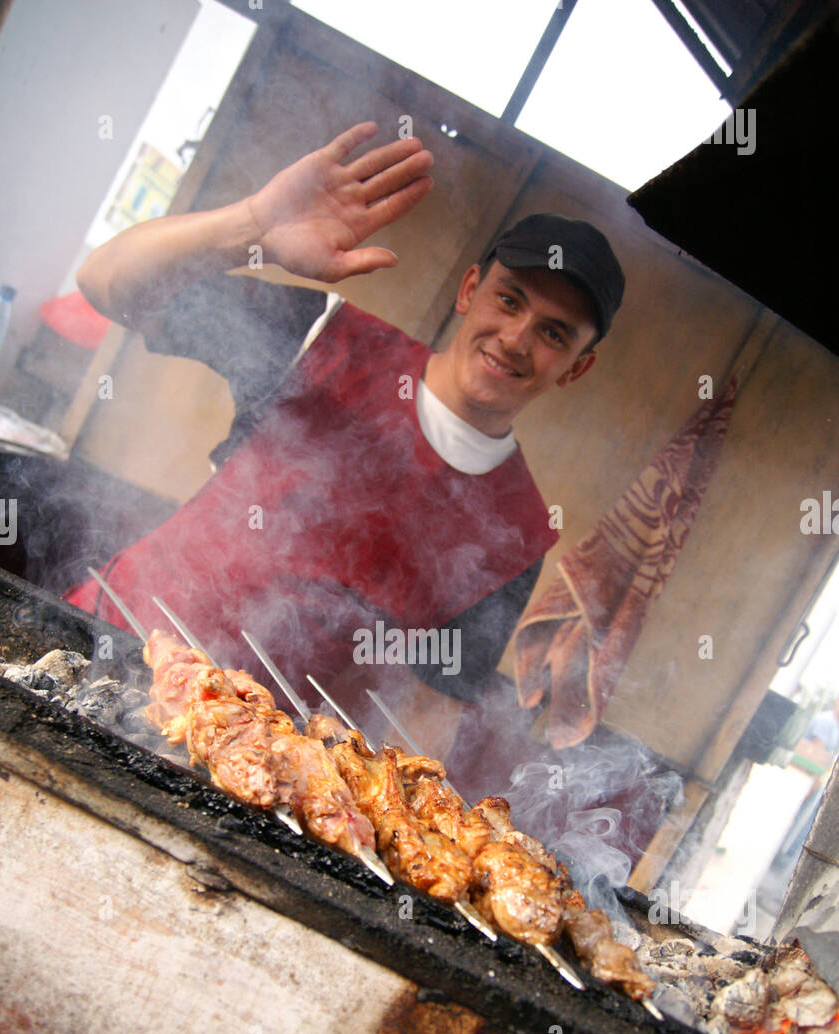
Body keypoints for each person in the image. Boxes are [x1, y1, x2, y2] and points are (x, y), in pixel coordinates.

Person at [66, 121, 624, 756]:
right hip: (90, 648)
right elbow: (106, 282)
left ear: (577, 367)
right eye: (509, 299)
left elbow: (427, 722)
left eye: (554, 334)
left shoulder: (518, 537)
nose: (516, 338)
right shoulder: (324, 340)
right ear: (472, 291)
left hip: (233, 767)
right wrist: (253, 225)